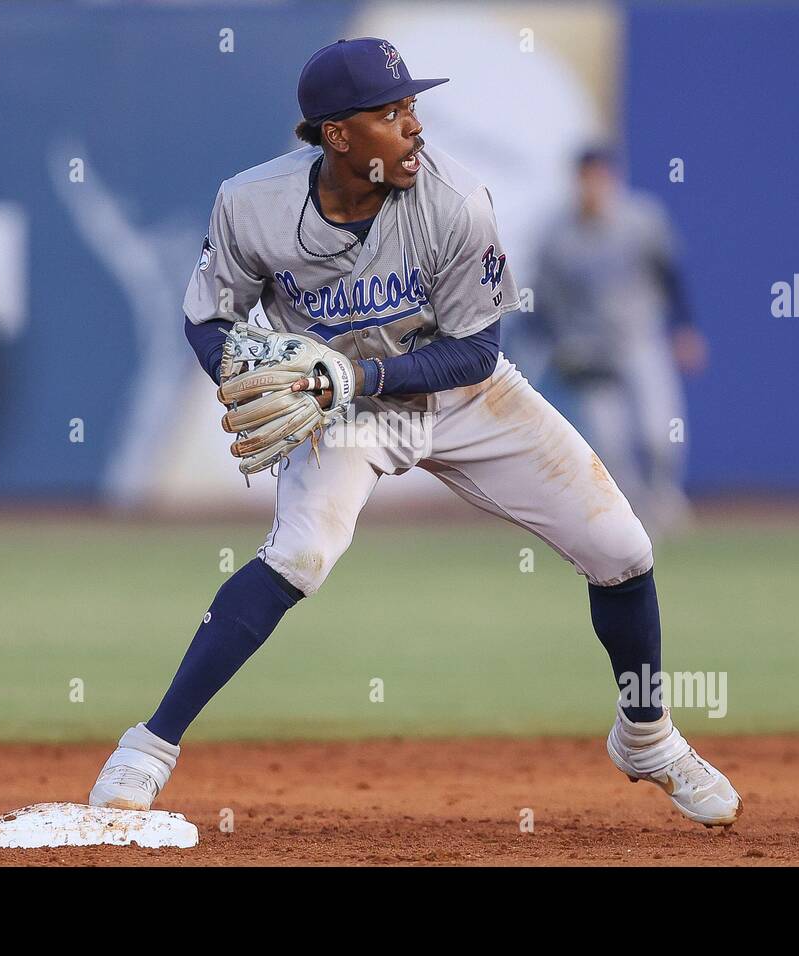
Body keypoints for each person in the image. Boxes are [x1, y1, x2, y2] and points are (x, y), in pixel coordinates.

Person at [89, 38, 740, 828]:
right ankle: (147, 749)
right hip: (341, 412)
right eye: (391, 113)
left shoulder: (455, 201)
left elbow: (477, 351)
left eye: (413, 108)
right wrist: (242, 370)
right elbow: (207, 319)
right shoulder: (250, 204)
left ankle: (647, 737)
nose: (414, 127)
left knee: (625, 550)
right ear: (337, 134)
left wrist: (358, 377)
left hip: (460, 394)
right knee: (299, 553)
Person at [532, 145, 707, 535]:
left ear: (613, 177)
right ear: (576, 181)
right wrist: (551, 351)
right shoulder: (557, 235)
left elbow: (671, 274)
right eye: (587, 178)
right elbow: (543, 304)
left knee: (660, 431)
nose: (594, 185)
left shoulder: (641, 219)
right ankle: (635, 517)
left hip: (639, 339)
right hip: (586, 352)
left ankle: (665, 496)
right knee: (608, 444)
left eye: (601, 176)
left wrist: (685, 327)